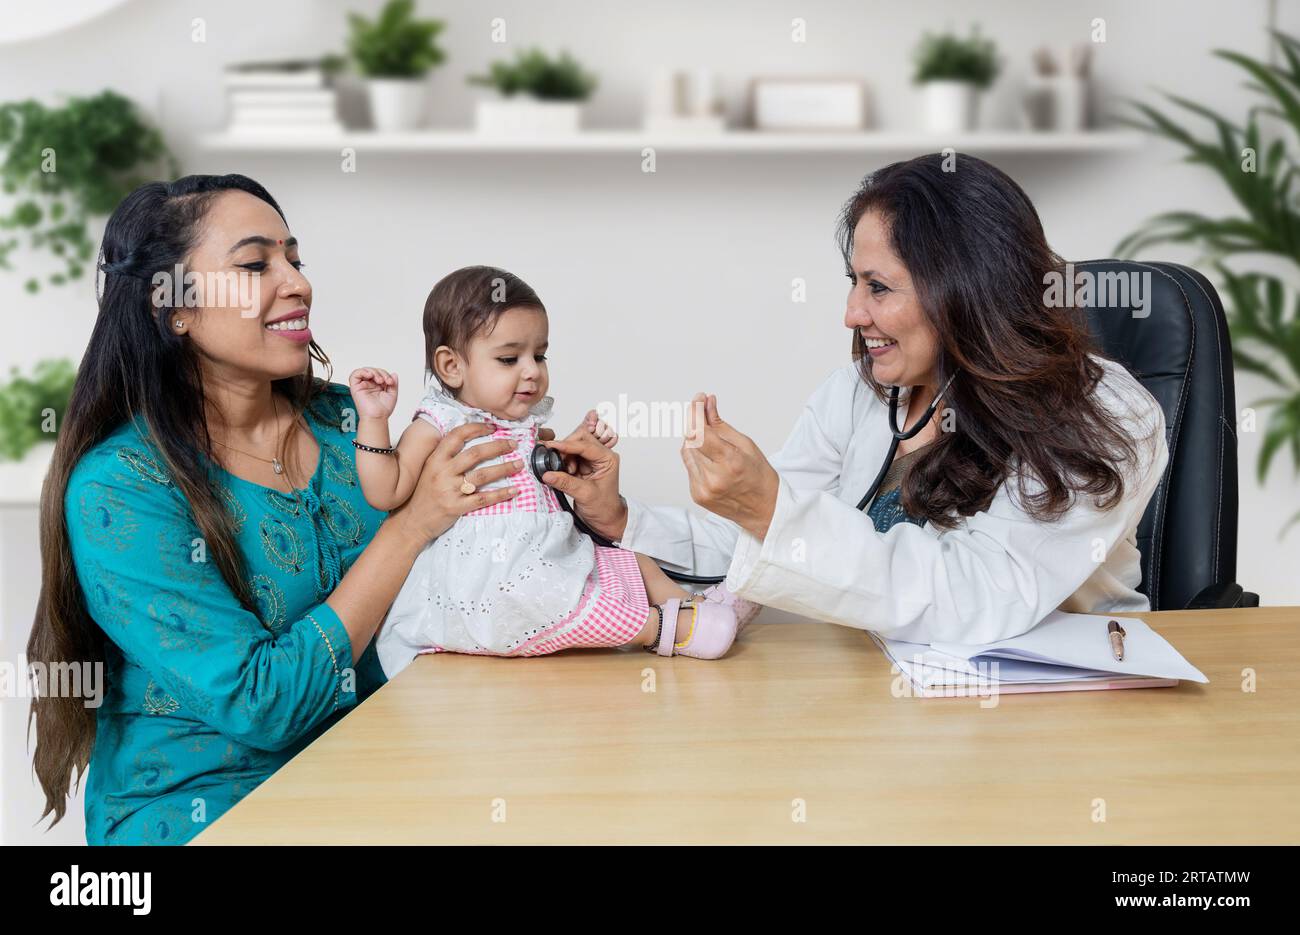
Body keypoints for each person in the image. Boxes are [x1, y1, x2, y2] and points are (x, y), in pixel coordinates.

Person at [27, 175, 532, 845]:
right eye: (255, 263)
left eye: (294, 257)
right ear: (173, 306)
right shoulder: (121, 488)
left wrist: (577, 504)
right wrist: (411, 527)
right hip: (204, 812)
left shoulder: (352, 424)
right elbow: (259, 701)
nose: (296, 281)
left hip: (381, 777)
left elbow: (482, 575)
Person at [542, 153, 1170, 647]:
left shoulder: (1109, 415)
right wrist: (620, 517)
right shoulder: (861, 393)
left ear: (967, 288)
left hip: (1073, 705)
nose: (851, 314)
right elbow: (764, 536)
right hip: (895, 688)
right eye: (853, 282)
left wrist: (770, 512)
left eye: (878, 287)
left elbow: (979, 594)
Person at [349, 265, 741, 675]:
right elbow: (385, 491)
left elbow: (533, 477)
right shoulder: (439, 422)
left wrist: (571, 450)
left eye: (539, 355)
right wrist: (374, 420)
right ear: (451, 367)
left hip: (543, 551)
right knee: (547, 592)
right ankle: (661, 630)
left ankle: (695, 607)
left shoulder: (523, 424)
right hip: (492, 575)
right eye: (508, 358)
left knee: (630, 562)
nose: (532, 370)